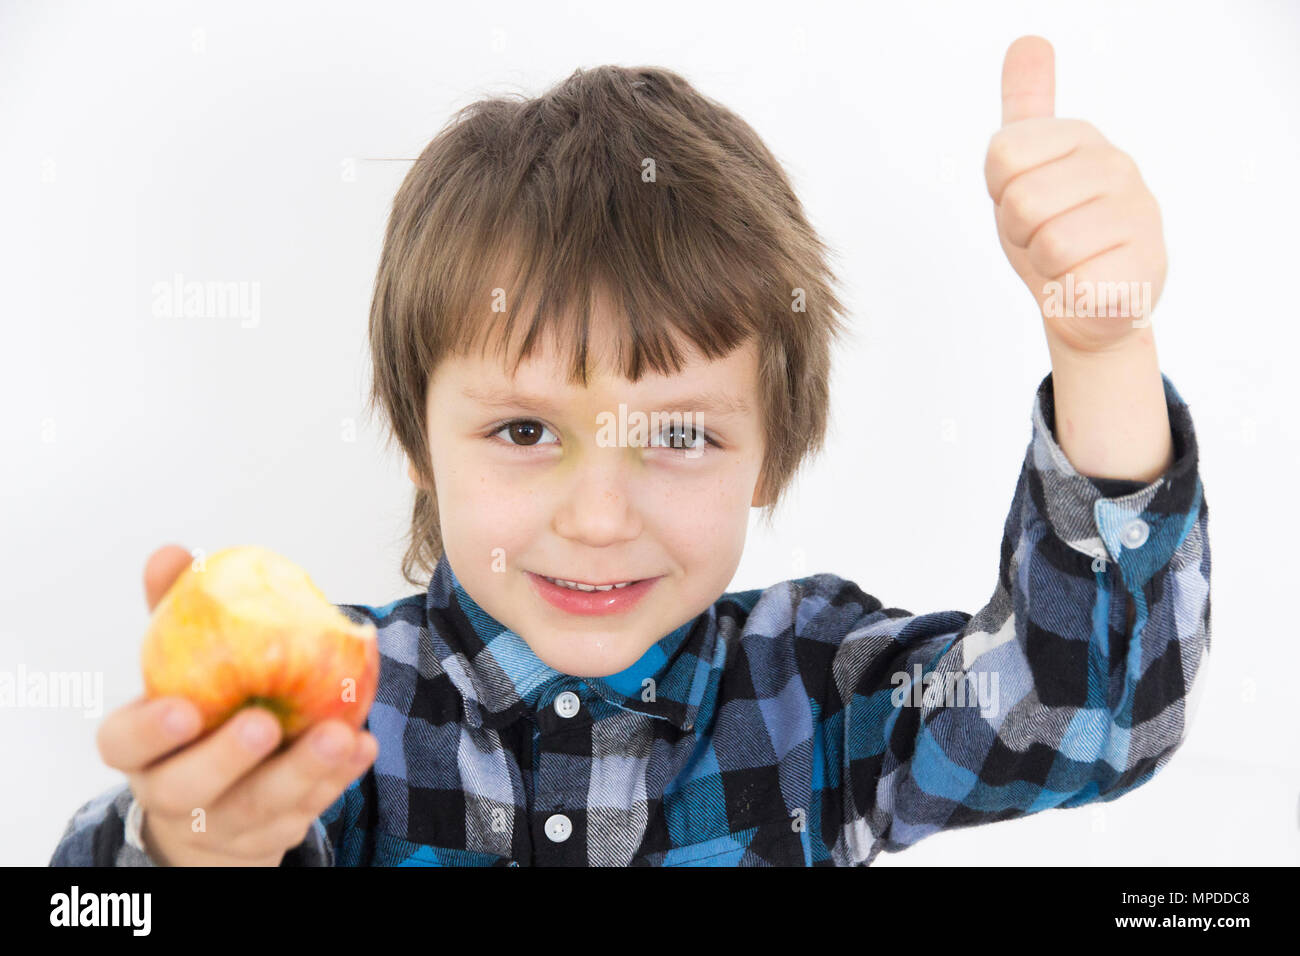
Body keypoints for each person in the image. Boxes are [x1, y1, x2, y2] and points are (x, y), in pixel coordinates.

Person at [51, 37, 1210, 867]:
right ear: (417, 438)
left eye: (676, 435)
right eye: (522, 430)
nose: (598, 515)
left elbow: (1091, 721)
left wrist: (1100, 349)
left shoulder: (816, 694)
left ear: (767, 454)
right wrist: (185, 840)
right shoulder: (345, 713)